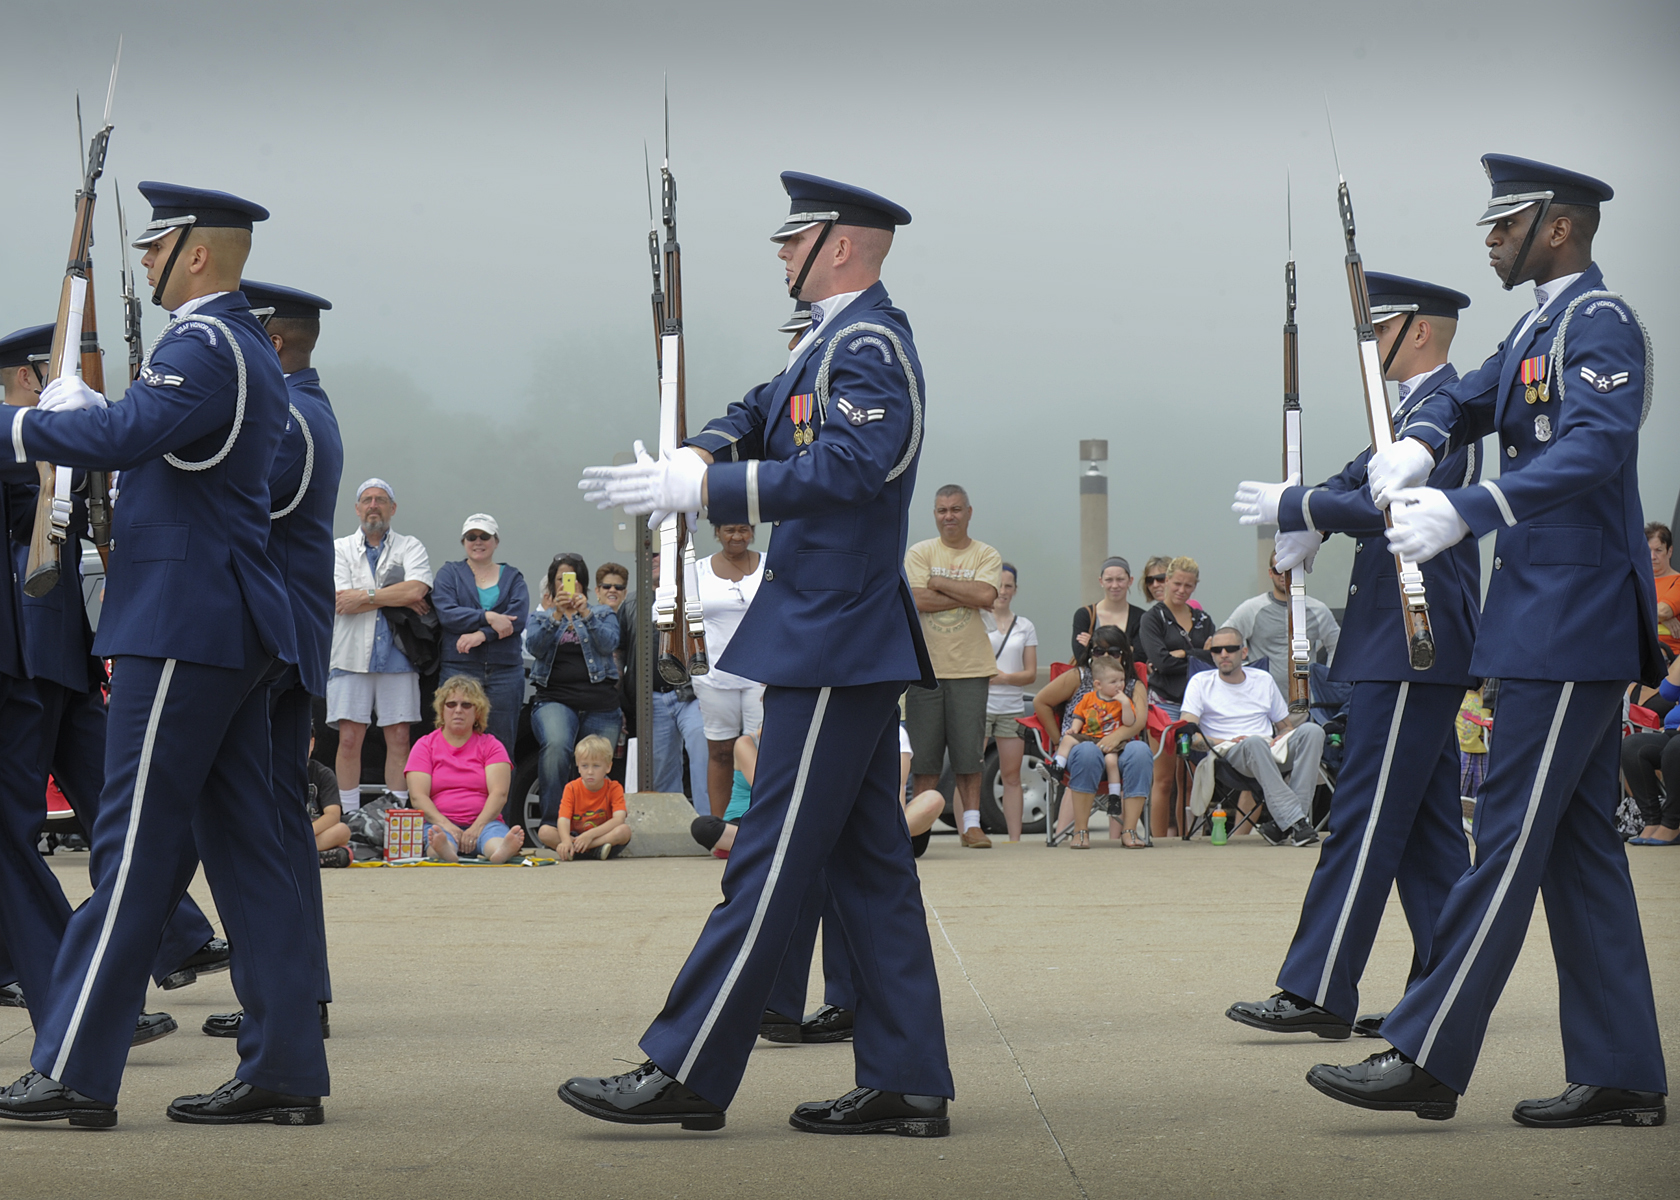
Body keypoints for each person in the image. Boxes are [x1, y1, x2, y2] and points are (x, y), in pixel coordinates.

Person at [571, 171, 952, 1136]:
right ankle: (907, 1077)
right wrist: (695, 457)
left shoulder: (869, 343)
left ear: (842, 246)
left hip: (837, 635)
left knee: (770, 857)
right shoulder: (823, 347)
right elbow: (751, 412)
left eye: (796, 240)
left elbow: (855, 466)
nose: (782, 254)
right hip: (831, 635)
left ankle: (689, 1066)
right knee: (870, 867)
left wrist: (712, 495)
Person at [1316, 155, 1667, 1128]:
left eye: (1505, 220)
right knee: (1577, 852)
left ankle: (1428, 1052)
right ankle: (1624, 1071)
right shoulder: (1536, 327)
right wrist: (1424, 440)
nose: (1489, 234)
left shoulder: (1597, 324)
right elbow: (1470, 396)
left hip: (1572, 622)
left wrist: (1474, 505)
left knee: (1506, 842)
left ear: (1557, 227)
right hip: (1550, 624)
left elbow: (1596, 446)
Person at [0, 182, 327, 1128]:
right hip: (218, 623)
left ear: (194, 253)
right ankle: (285, 1068)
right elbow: (158, 445)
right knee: (247, 852)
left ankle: (72, 1068)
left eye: (154, 247)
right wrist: (88, 412)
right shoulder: (235, 349)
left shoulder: (209, 342)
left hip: (185, 624)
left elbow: (130, 433)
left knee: (131, 846)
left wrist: (23, 424)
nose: (143, 261)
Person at [1223, 272, 1480, 1042]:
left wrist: (1299, 509)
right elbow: (1356, 477)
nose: (1367, 346)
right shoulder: (1404, 415)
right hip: (1397, 644)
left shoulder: (1446, 414)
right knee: (1429, 834)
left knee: (1365, 818)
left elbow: (1387, 498)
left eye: (1381, 328)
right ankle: (1442, 995)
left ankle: (1318, 988)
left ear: (1420, 332)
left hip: (1412, 643)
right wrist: (1308, 507)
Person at [0, 323, 220, 1045]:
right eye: (42, 371)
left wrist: (99, 418)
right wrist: (70, 425)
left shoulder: (35, 445)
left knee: (112, 808)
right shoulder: (17, 440)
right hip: (33, 656)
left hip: (51, 654)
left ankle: (123, 970)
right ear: (24, 380)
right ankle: (89, 984)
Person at [905, 485, 1002, 849]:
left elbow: (986, 596)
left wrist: (940, 582)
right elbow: (916, 599)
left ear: (969, 512)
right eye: (942, 510)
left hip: (971, 666)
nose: (949, 516)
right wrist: (964, 591)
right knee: (925, 756)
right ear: (934, 514)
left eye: (956, 509)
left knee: (968, 753)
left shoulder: (986, 553)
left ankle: (972, 825)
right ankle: (920, 828)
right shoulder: (920, 552)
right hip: (924, 667)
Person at [330, 479, 433, 814]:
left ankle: (395, 817)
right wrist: (394, 596)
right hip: (348, 658)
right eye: (367, 500)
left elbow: (417, 591)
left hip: (399, 657)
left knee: (400, 737)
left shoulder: (410, 546)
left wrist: (366, 597)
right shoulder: (339, 548)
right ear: (358, 509)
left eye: (381, 500)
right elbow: (340, 600)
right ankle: (347, 817)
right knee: (349, 738)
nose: (374, 505)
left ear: (393, 508)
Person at [1180, 628, 1325, 847]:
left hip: (1268, 748)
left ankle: (1287, 824)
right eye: (1217, 650)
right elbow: (1189, 733)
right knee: (1254, 742)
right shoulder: (1201, 682)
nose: (1224, 654)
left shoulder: (1262, 679)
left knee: (1313, 731)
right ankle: (1297, 821)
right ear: (1212, 654)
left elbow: (1284, 726)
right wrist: (1225, 742)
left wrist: (1282, 736)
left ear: (1244, 652)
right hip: (1228, 752)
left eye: (1230, 649)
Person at [1031, 626, 1151, 848]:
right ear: (1090, 654)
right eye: (1098, 652)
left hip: (1120, 749)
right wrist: (1058, 740)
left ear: (1124, 654)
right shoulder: (1079, 676)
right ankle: (1081, 831)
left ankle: (1130, 831)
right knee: (1087, 752)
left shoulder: (1132, 684)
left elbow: (1139, 721)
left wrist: (1116, 737)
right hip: (1082, 746)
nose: (1106, 657)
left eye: (1114, 652)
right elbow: (1041, 702)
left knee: (1141, 751)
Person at [527, 553, 622, 826]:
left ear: (583, 585)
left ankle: (595, 830)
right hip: (554, 699)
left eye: (573, 580)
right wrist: (556, 615)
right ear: (553, 585)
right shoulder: (541, 616)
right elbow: (533, 647)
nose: (567, 586)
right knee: (557, 747)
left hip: (600, 702)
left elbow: (609, 644)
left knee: (597, 762)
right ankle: (553, 825)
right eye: (561, 580)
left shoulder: (602, 613)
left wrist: (586, 614)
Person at [619, 550, 709, 815]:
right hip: (652, 700)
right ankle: (673, 830)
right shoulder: (631, 603)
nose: (654, 559)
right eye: (649, 555)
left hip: (693, 696)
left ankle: (712, 828)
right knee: (660, 771)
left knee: (703, 749)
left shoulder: (694, 599)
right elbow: (619, 653)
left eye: (661, 554)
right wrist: (621, 702)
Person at [432, 513, 530, 756]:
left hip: (504, 672)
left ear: (496, 541)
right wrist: (488, 618)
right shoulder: (449, 573)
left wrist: (482, 635)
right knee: (455, 742)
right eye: (471, 537)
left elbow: (516, 621)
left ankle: (499, 796)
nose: (478, 541)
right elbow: (447, 614)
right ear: (463, 542)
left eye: (484, 536)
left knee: (501, 747)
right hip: (460, 667)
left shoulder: (514, 577)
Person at [406, 675, 523, 863]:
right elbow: (418, 797)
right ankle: (445, 850)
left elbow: (499, 794)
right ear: (441, 710)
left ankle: (501, 851)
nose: (458, 710)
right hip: (439, 823)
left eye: (466, 705)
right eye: (451, 704)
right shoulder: (425, 745)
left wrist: (476, 828)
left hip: (485, 823)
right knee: (439, 839)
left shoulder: (492, 745)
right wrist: (448, 826)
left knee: (493, 841)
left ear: (477, 712)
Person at [692, 522, 766, 818]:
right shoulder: (697, 570)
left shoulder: (770, 564)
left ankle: (761, 824)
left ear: (752, 531)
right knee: (720, 752)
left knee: (762, 753)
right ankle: (720, 828)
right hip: (714, 676)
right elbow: (681, 619)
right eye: (729, 530)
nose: (737, 536)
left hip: (761, 678)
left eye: (744, 529)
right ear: (717, 532)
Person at [1220, 554, 1341, 696]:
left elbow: (1338, 646)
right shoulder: (1251, 609)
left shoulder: (1317, 610)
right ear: (1270, 573)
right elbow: (1222, 642)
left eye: (1289, 569)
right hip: (1261, 702)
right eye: (1278, 569)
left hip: (1304, 703)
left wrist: (1329, 684)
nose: (1284, 575)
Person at [986, 563, 1038, 840]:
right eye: (999, 586)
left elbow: (1030, 673)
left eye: (1008, 586)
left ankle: (1014, 840)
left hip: (1012, 706)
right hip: (979, 705)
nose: (1003, 592)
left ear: (1015, 590)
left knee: (1012, 775)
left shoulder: (1025, 626)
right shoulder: (977, 619)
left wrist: (1004, 678)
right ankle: (966, 835)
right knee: (969, 771)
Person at [1137, 555, 1214, 719]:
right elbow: (1162, 663)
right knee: (1168, 745)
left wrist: (1185, 653)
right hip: (1166, 703)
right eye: (1177, 584)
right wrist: (1200, 655)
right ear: (1167, 581)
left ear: (1194, 587)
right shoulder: (1152, 618)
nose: (1181, 590)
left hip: (1203, 703)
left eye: (1188, 586)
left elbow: (1214, 659)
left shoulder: (1203, 619)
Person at [539, 734, 632, 861]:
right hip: (575, 835)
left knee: (624, 831)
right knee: (544, 831)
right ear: (578, 765)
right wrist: (566, 840)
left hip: (602, 837)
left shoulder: (614, 787)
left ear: (608, 767)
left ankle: (579, 849)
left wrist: (589, 836)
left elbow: (619, 819)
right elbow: (563, 819)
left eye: (596, 766)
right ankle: (582, 849)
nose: (590, 772)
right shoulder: (571, 788)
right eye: (585, 766)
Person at [1622, 653, 1680, 844]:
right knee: (1633, 747)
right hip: (1672, 732)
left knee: (1675, 748)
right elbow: (1667, 692)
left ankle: (1672, 824)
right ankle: (1652, 821)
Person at [1072, 556, 1143, 655]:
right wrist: (1126, 649)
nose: (1114, 585)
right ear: (1101, 581)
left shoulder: (1141, 617)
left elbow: (1141, 656)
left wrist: (1093, 645)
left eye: (1120, 579)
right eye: (1109, 580)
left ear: (1130, 581)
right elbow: (1080, 655)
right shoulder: (1085, 615)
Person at [1649, 522, 1678, 658]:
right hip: (1637, 653)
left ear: (1669, 551)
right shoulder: (1636, 582)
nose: (1652, 557)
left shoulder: (1677, 581)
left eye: (1658, 550)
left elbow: (1663, 611)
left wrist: (1660, 616)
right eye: (1648, 551)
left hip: (1671, 657)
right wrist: (1659, 618)